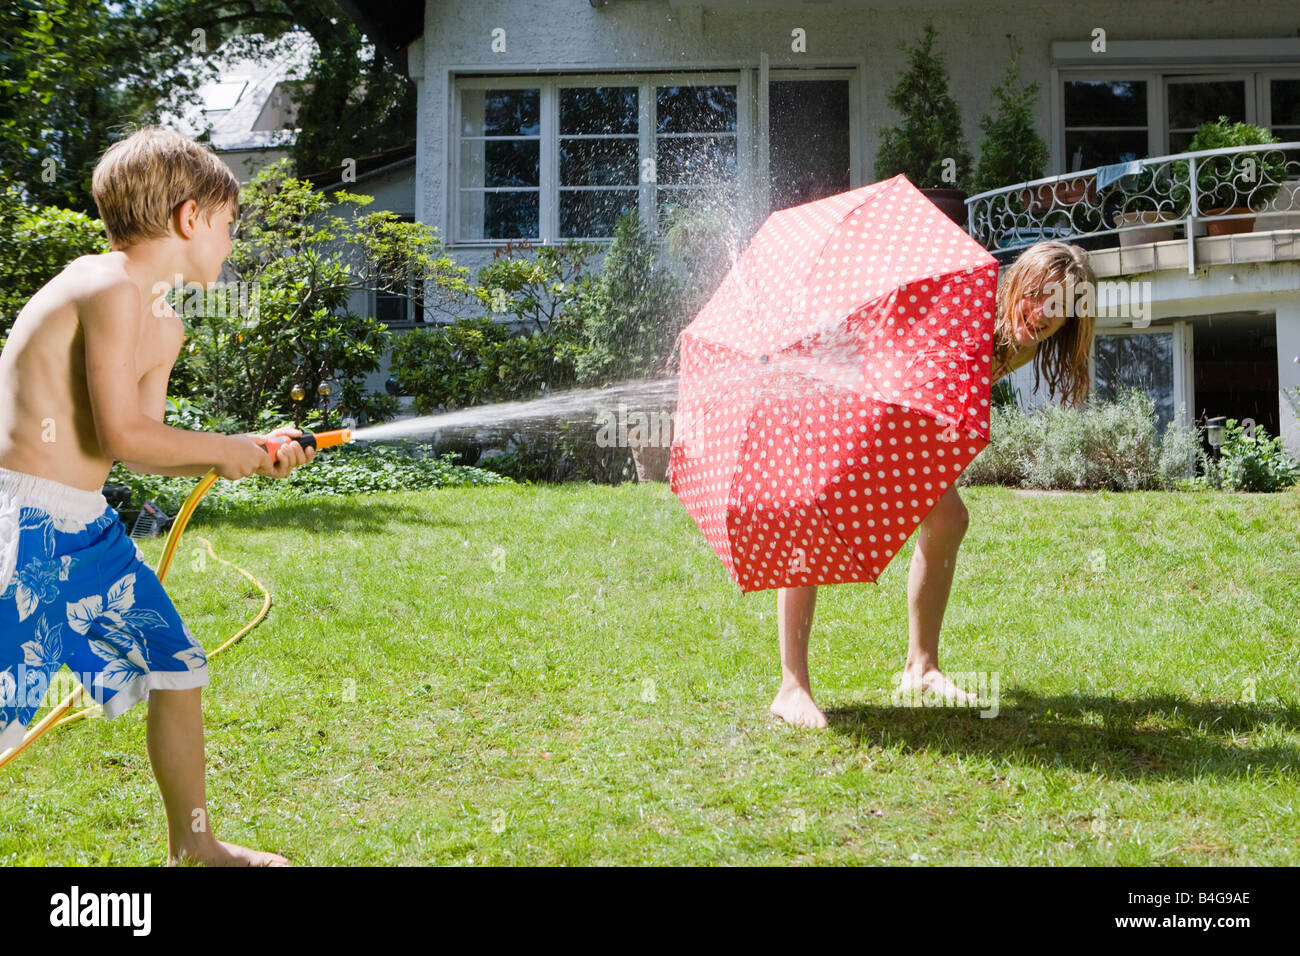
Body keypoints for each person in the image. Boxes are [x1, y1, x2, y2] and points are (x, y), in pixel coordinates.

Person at [0, 127, 314, 864]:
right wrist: (227, 448)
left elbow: (144, 443)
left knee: (176, 667)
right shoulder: (106, 286)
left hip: (85, 527)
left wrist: (250, 449)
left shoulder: (163, 321)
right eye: (230, 226)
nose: (233, 244)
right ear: (190, 217)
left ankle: (195, 851)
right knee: (10, 704)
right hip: (26, 524)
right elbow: (119, 429)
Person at [770, 241, 1097, 728]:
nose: (1044, 314)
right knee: (810, 522)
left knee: (948, 517)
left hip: (904, 418)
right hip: (856, 389)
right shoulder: (973, 304)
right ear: (1018, 283)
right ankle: (791, 687)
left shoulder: (1024, 347)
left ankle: (920, 668)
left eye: (1060, 310)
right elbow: (902, 344)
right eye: (1038, 295)